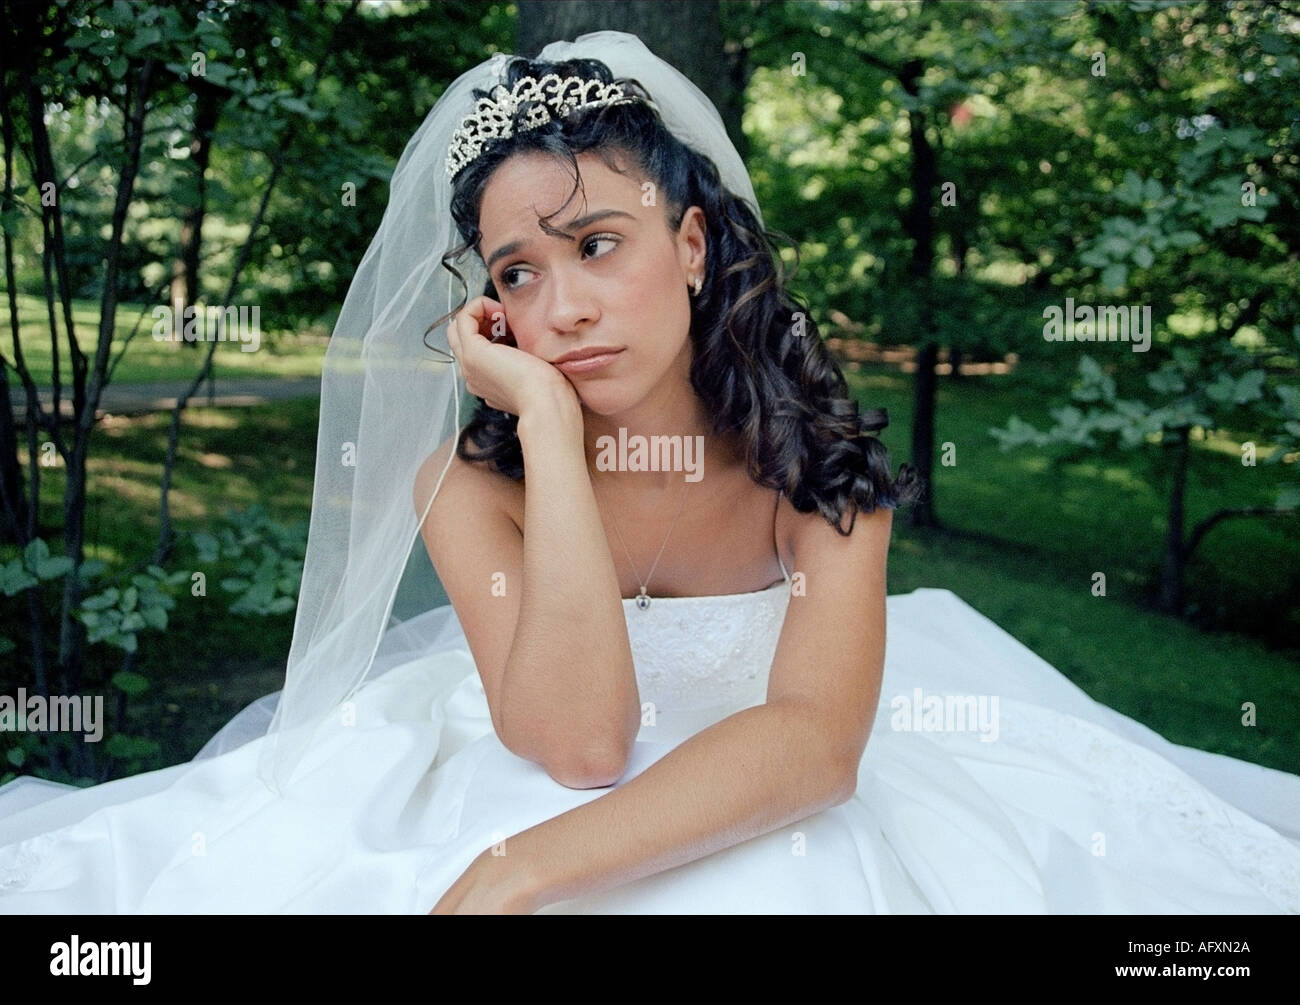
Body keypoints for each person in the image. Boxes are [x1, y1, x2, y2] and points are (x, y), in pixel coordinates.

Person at [2, 31, 1298, 914]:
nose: (560, 307)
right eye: (518, 271)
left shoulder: (812, 455)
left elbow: (809, 747)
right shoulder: (468, 479)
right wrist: (552, 442)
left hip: (760, 789)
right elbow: (579, 739)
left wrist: (514, 875)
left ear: (690, 243)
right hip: (518, 758)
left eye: (597, 243)